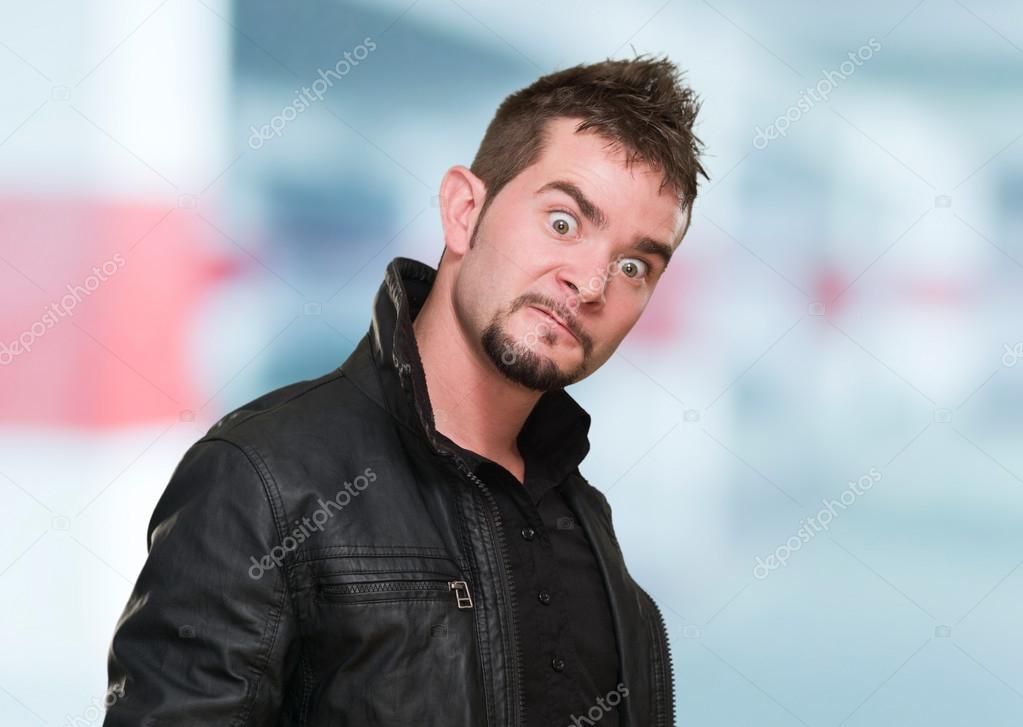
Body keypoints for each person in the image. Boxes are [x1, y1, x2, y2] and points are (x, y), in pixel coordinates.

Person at [102, 53, 707, 727]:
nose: (591, 283)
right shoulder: (262, 479)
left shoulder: (587, 525)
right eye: (563, 221)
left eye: (632, 264)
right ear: (462, 210)